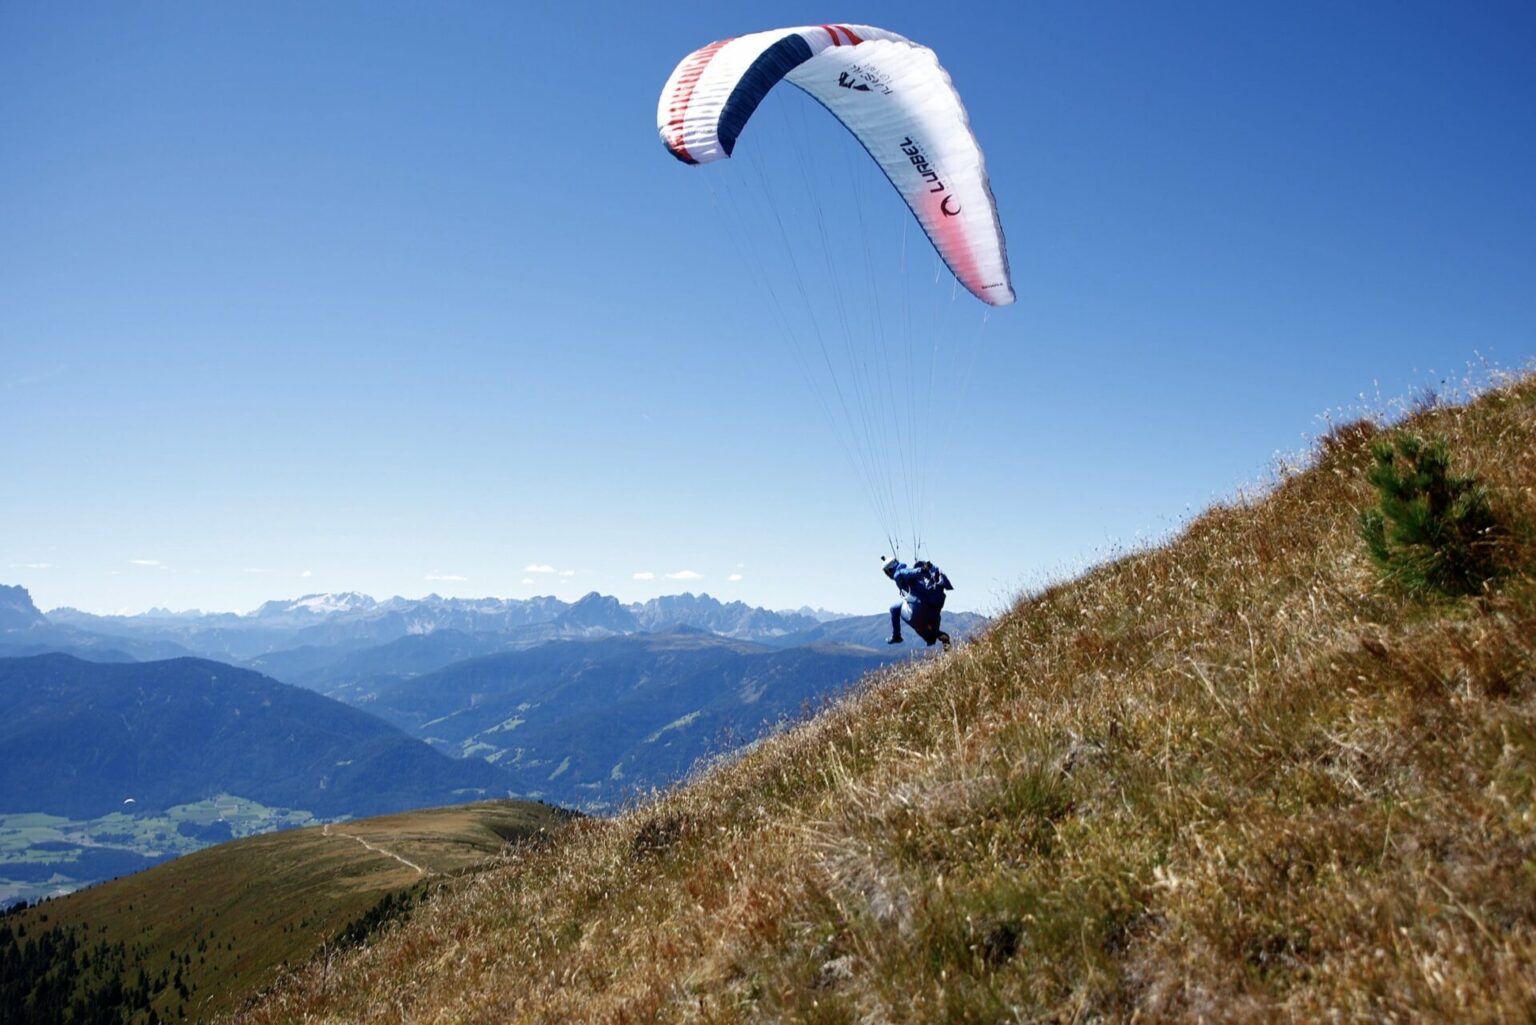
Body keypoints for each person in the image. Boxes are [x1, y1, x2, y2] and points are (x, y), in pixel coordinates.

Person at [882, 556, 953, 651]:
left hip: (917, 609)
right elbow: (912, 573)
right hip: (932, 609)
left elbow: (909, 573)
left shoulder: (899, 573)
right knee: (929, 634)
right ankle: (946, 648)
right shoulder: (912, 575)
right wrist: (923, 569)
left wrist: (922, 569)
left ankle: (896, 636)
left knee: (895, 609)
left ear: (889, 570)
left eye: (886, 573)